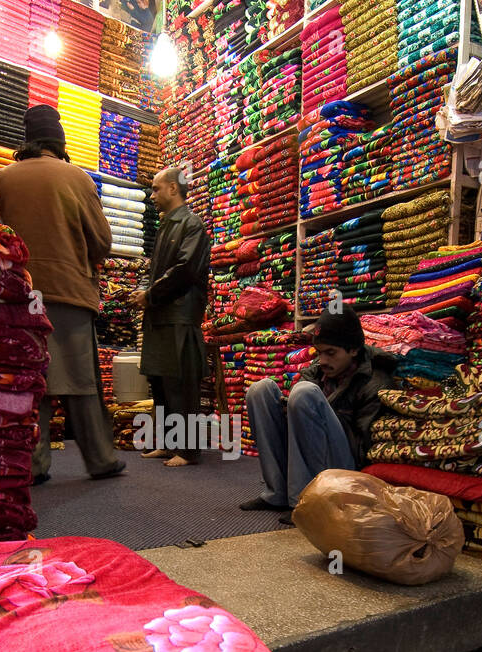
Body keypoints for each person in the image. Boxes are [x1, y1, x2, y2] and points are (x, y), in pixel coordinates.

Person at [0, 104, 125, 483]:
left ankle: (33, 462)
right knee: (81, 382)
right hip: (68, 292)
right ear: (59, 143)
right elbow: (102, 242)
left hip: (19, 295)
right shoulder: (77, 179)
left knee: (31, 378)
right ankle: (100, 459)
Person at [240, 305, 395, 524]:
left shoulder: (375, 381)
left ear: (353, 350)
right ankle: (276, 494)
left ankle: (304, 503)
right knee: (260, 390)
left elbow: (364, 450)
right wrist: (292, 412)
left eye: (330, 353)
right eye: (319, 352)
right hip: (314, 452)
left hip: (346, 467)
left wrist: (320, 415)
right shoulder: (318, 370)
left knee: (304, 393)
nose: (322, 360)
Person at [133, 167, 209, 467]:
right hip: (162, 314)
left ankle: (187, 450)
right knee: (162, 383)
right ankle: (169, 443)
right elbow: (158, 271)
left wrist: (150, 295)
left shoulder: (192, 225)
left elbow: (186, 270)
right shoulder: (167, 225)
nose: (152, 195)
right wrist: (146, 292)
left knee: (181, 385)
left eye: (155, 188)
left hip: (180, 314)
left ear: (174, 189)